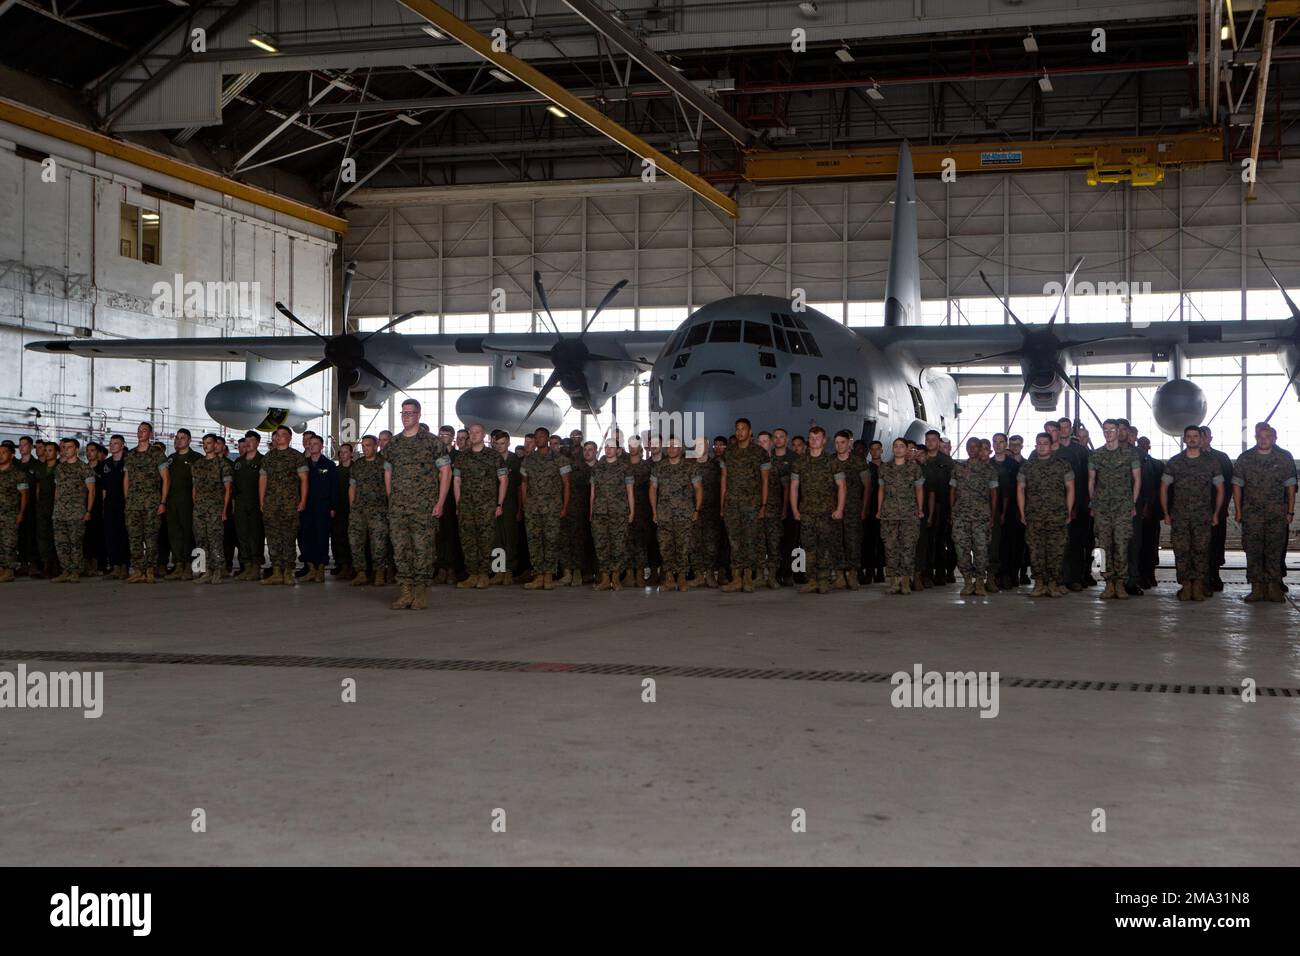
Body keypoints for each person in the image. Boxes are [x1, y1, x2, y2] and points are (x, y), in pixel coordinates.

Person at [386, 400, 451, 609]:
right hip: (398, 507)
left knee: (423, 550)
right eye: (403, 413)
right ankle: (405, 592)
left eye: (410, 413)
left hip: (423, 507)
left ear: (419, 415)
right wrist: (391, 498)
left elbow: (446, 472)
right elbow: (388, 472)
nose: (406, 417)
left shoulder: (432, 442)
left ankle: (420, 592)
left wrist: (440, 502)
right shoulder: (394, 444)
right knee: (400, 550)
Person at [1232, 422, 1296, 603]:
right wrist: (1238, 510)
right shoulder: (1245, 459)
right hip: (1252, 515)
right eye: (1260, 436)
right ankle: (1257, 588)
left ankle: (1274, 587)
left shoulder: (1283, 458)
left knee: (1274, 550)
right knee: (1253, 551)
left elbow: (1291, 487)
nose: (1264, 440)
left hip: (1276, 514)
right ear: (1255, 438)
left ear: (1275, 439)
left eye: (1268, 437)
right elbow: (1237, 486)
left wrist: (1290, 511)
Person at [1159, 424, 1224, 602]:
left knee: (1201, 550)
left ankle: (1198, 585)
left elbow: (1220, 488)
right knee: (1181, 551)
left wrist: (1216, 513)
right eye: (1189, 436)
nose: (1193, 439)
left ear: (1201, 438)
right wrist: (1166, 512)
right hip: (1179, 516)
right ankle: (1186, 585)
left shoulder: (1211, 462)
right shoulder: (1175, 462)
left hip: (1203, 516)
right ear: (1185, 439)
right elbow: (1164, 487)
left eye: (1196, 436)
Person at [790, 426, 847, 595]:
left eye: (818, 438)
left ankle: (823, 580)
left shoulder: (832, 462)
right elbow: (794, 487)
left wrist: (839, 509)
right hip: (806, 512)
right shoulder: (800, 462)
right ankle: (812, 580)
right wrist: (795, 510)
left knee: (825, 547)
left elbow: (842, 486)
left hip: (826, 513)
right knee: (808, 548)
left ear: (824, 440)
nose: (814, 440)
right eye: (811, 437)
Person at [1088, 419, 1141, 600]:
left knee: (1121, 545)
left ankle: (1120, 584)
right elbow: (1091, 481)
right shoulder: (1096, 455)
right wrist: (1093, 504)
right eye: (1106, 429)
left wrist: (1132, 503)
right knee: (1103, 547)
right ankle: (1108, 583)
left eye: (1112, 429)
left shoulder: (1130, 454)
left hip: (1122, 508)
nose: (1109, 432)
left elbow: (1137, 480)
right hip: (1102, 508)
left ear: (1119, 431)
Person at [1018, 432, 1075, 598]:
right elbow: (1020, 489)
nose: (1041, 445)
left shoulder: (1062, 464)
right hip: (1034, 516)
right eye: (1038, 443)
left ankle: (1053, 583)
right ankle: (1040, 583)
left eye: (1045, 442)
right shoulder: (1027, 466)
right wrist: (1022, 512)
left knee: (1056, 551)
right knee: (1035, 551)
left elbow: (1070, 488)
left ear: (1051, 445)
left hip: (1057, 516)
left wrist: (1069, 511)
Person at [453, 423, 508, 590]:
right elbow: (457, 480)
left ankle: (484, 575)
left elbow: (504, 480)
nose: (474, 435)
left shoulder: (494, 456)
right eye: (471, 432)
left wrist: (499, 504)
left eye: (477, 432)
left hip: (487, 507)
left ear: (484, 435)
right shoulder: (462, 457)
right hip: (466, 507)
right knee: (467, 541)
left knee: (485, 541)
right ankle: (472, 575)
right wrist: (458, 503)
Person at [720, 418, 771, 593]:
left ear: (750, 432)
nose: (739, 432)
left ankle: (748, 577)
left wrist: (763, 505)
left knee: (750, 541)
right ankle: (736, 578)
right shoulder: (729, 452)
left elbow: (765, 481)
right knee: (734, 542)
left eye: (743, 429)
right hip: (732, 504)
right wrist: (722, 504)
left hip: (752, 504)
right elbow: (724, 479)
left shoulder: (759, 453)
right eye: (737, 429)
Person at [519, 426, 571, 591]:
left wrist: (564, 506)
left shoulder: (559, 459)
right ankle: (538, 576)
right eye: (536, 437)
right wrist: (525, 505)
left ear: (548, 439)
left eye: (542, 436)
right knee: (534, 541)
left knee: (550, 541)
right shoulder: (528, 460)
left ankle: (548, 576)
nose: (539, 439)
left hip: (552, 508)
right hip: (532, 508)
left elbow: (567, 484)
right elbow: (524, 484)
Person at [650, 436, 702, 592]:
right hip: (664, 515)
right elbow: (653, 489)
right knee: (665, 547)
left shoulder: (690, 467)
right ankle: (669, 579)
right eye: (669, 446)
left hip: (684, 515)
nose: (671, 448)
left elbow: (698, 488)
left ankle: (681, 577)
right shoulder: (659, 467)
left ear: (681, 449)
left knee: (684, 546)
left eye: (675, 446)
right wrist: (654, 511)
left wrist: (696, 510)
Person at [258, 426, 308, 586]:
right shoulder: (268, 457)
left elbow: (304, 480)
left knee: (288, 538)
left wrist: (302, 501)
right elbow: (263, 480)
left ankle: (288, 572)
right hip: (271, 504)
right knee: (272, 538)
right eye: (277, 435)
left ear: (289, 437)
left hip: (289, 505)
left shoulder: (296, 457)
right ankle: (276, 571)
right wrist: (261, 501)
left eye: (282, 435)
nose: (278, 437)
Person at [949, 436, 999, 596]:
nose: (972, 449)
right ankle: (968, 582)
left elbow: (994, 493)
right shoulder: (958, 468)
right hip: (960, 516)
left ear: (980, 448)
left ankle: (979, 582)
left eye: (975, 447)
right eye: (969, 447)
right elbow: (952, 491)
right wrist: (952, 511)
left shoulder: (989, 469)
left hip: (981, 516)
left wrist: (992, 514)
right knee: (961, 550)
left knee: (981, 551)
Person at [877, 437, 925, 594]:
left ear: (906, 450)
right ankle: (893, 582)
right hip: (889, 514)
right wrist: (879, 510)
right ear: (893, 449)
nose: (898, 449)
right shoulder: (884, 468)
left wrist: (920, 509)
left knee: (908, 547)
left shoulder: (914, 468)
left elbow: (919, 490)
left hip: (909, 514)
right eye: (895, 446)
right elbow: (881, 490)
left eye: (901, 446)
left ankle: (905, 581)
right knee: (890, 548)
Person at [123, 423, 169, 584]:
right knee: (134, 538)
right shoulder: (130, 454)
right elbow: (126, 479)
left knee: (151, 538)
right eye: (139, 430)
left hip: (151, 503)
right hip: (133, 504)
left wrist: (162, 502)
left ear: (150, 433)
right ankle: (138, 570)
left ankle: (150, 569)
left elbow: (166, 479)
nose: (140, 433)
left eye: (144, 430)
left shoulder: (157, 454)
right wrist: (127, 499)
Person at [590, 434, 634, 591]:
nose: (608, 450)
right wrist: (591, 511)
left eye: (612, 447)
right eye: (606, 447)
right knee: (601, 544)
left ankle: (616, 577)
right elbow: (593, 491)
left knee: (618, 544)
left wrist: (631, 511)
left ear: (618, 450)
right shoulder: (598, 467)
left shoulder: (624, 467)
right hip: (599, 512)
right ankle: (605, 578)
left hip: (619, 512)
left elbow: (630, 491)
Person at [48, 438, 95, 583]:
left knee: (75, 543)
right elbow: (57, 490)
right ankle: (65, 570)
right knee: (61, 543)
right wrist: (55, 508)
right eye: (64, 447)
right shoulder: (59, 468)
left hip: (76, 512)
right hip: (60, 512)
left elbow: (91, 491)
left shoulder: (84, 468)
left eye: (69, 447)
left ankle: (75, 571)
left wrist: (88, 511)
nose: (66, 450)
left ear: (76, 449)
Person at [348, 435, 390, 587]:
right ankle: (361, 573)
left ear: (376, 446)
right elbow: (352, 487)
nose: (365, 449)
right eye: (363, 446)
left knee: (378, 543)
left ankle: (379, 573)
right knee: (355, 542)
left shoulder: (384, 463)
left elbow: (389, 487)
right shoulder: (358, 465)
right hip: (359, 511)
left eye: (368, 445)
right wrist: (352, 508)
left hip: (378, 510)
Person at [191, 433, 233, 585]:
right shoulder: (197, 464)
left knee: (215, 540)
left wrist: (224, 510)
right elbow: (194, 488)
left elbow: (228, 489)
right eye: (204, 443)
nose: (206, 445)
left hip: (215, 508)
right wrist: (195, 506)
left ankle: (218, 570)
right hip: (200, 509)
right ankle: (205, 571)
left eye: (209, 442)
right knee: (200, 540)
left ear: (216, 445)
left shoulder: (223, 465)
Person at [831, 429, 870, 590]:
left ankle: (852, 574)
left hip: (854, 508)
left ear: (849, 444)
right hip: (834, 509)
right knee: (836, 541)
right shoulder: (830, 461)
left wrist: (864, 507)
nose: (839, 446)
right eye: (837, 443)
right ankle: (839, 575)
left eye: (842, 442)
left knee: (853, 541)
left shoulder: (859, 462)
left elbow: (867, 486)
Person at [162, 429, 201, 581]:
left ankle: (189, 566)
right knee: (174, 534)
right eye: (177, 438)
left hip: (188, 502)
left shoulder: (197, 459)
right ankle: (178, 564)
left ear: (189, 440)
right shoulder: (170, 459)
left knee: (188, 534)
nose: (178, 441)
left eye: (182, 438)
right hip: (172, 502)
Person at [298, 434, 337, 583]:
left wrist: (333, 506)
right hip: (306, 507)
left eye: (315, 443)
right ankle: (311, 569)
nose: (312, 445)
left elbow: (334, 488)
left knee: (321, 538)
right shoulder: (303, 465)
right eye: (310, 443)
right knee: (306, 538)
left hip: (323, 507)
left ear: (322, 446)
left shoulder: (329, 465)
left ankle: (320, 569)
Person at [1199, 425, 1234, 593]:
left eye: (1206, 436)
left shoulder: (1221, 458)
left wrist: (1223, 507)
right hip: (1195, 512)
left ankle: (1214, 574)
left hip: (1217, 510)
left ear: (1210, 438)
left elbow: (1229, 485)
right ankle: (1199, 578)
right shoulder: (1188, 458)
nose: (1203, 439)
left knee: (1216, 544)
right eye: (1200, 436)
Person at [919, 430, 954, 587]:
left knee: (940, 541)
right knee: (925, 541)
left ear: (938, 442)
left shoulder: (947, 461)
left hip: (942, 505)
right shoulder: (921, 460)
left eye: (933, 440)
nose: (930, 442)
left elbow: (953, 486)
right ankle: (926, 573)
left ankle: (940, 573)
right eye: (928, 440)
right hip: (923, 506)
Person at [559, 439, 593, 586]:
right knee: (567, 541)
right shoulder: (568, 466)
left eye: (590, 449)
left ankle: (583, 572)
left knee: (584, 543)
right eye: (585, 449)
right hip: (568, 511)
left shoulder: (592, 467)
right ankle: (569, 573)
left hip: (587, 511)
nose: (587, 452)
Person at [232, 432, 265, 580]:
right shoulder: (238, 462)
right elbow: (234, 486)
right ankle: (246, 566)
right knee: (242, 535)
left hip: (256, 504)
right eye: (247, 440)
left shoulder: (263, 461)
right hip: (240, 504)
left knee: (256, 535)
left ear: (258, 443)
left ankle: (256, 567)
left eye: (252, 440)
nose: (249, 443)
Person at [491, 429, 522, 585]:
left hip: (510, 504)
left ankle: (509, 570)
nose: (499, 447)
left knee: (510, 537)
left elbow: (520, 487)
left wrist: (519, 509)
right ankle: (498, 570)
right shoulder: (490, 459)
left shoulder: (516, 461)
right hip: (493, 503)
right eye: (497, 444)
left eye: (503, 443)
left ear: (508, 443)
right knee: (496, 538)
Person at [0, 441, 30, 583]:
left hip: (10, 515)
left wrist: (21, 513)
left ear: (11, 455)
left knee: (9, 543)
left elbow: (24, 495)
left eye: (4, 452)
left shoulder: (18, 474)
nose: (0, 455)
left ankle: (9, 570)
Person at [331, 442, 354, 579]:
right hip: (339, 509)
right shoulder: (335, 470)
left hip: (352, 508)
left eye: (345, 452)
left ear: (351, 454)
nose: (342, 454)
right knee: (338, 537)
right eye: (341, 452)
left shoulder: (356, 469)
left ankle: (353, 566)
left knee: (351, 538)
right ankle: (342, 565)